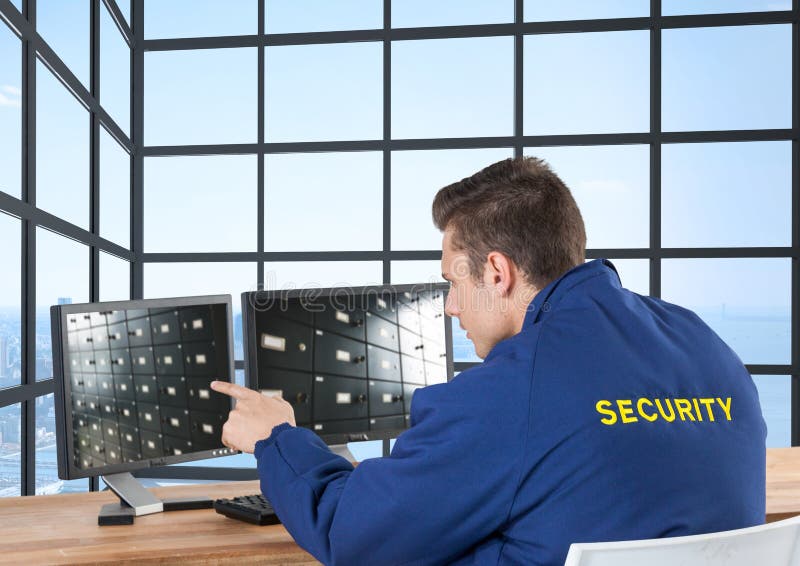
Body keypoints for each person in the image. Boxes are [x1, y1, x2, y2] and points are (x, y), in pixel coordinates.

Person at [211, 156, 766, 565]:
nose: (450, 306)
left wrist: (277, 436)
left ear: (497, 272)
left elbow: (350, 535)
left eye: (453, 278)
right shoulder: (708, 347)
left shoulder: (506, 394)